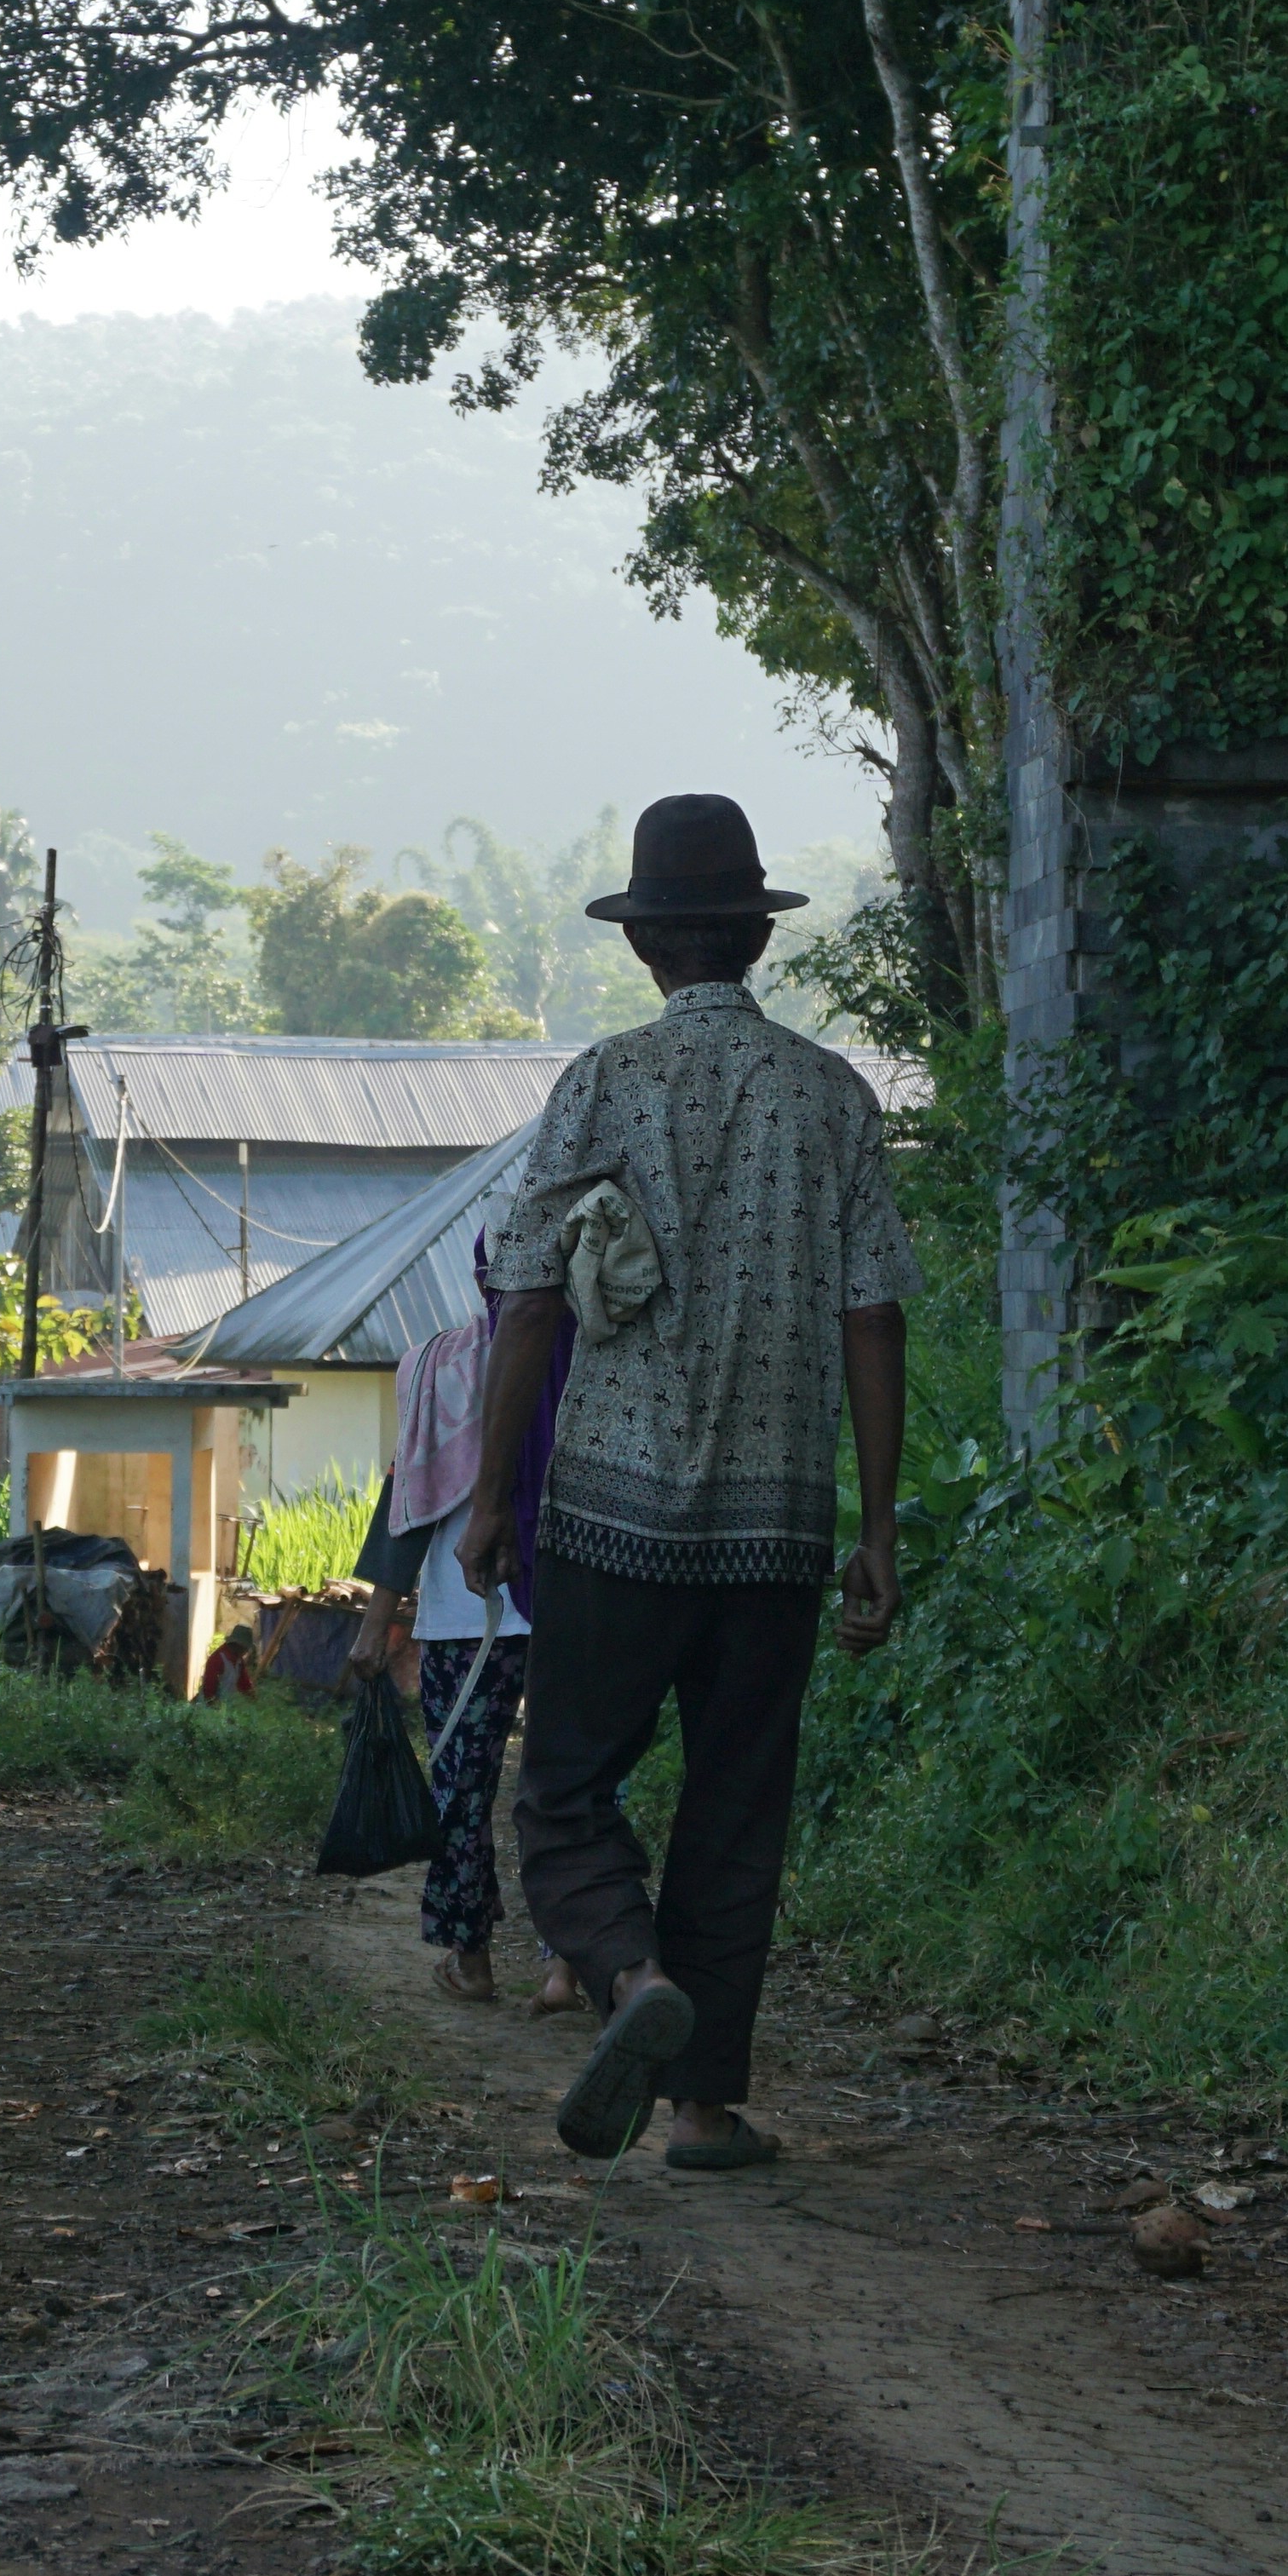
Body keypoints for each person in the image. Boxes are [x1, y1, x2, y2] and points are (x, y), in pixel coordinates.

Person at [454, 791, 913, 2173]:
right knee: (737, 1801)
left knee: (564, 1791)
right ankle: (707, 2105)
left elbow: (528, 1301)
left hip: (610, 1513)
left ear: (649, 944)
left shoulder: (601, 1083)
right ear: (753, 943)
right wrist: (875, 1528)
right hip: (774, 1534)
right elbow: (874, 1318)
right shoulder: (830, 1097)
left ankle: (632, 1978)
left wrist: (489, 1498)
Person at [344, 1241, 581, 2011]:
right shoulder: (586, 1357)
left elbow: (404, 1505)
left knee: (463, 1792)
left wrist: (377, 1625)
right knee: (566, 1790)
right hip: (568, 1611)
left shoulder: (438, 1366)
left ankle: (472, 1961)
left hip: (461, 1619)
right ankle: (565, 1967)